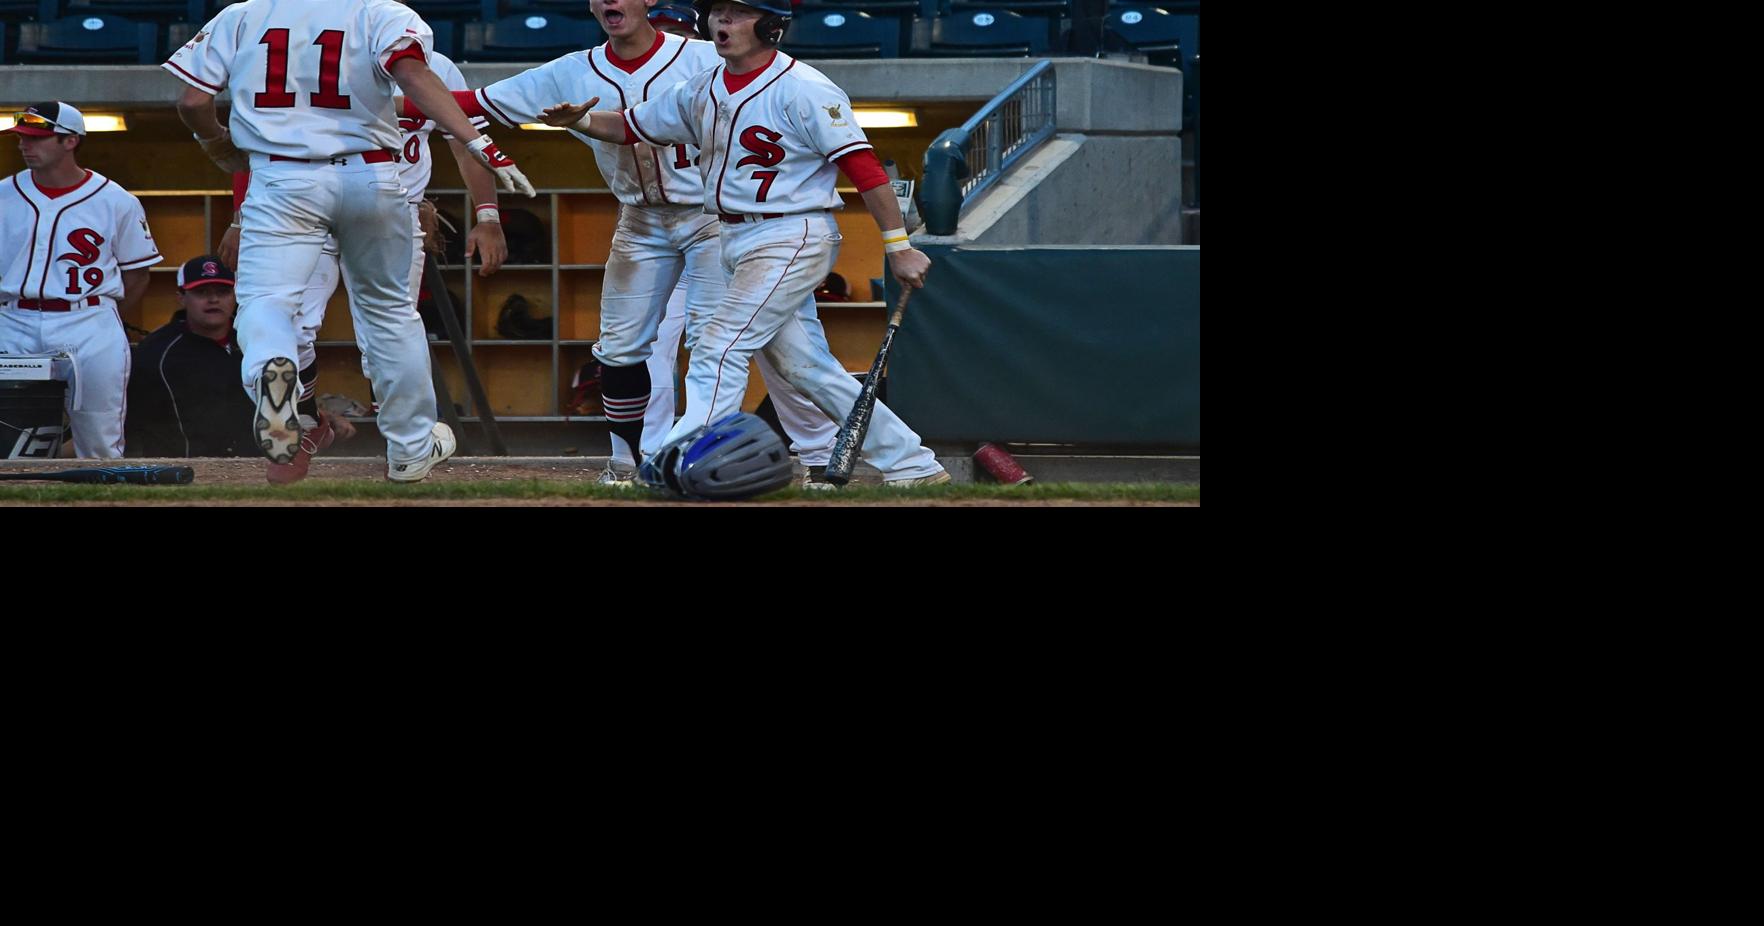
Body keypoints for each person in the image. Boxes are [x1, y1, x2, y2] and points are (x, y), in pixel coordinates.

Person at [400, 0, 845, 485]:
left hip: (712, 218)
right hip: (640, 220)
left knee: (717, 343)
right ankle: (630, 463)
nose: (612, 1)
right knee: (619, 347)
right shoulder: (572, 70)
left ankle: (748, 457)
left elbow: (781, 101)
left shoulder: (703, 61)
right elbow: (474, 104)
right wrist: (372, 100)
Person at [544, 0, 949, 486]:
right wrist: (582, 122)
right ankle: (913, 465)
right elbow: (632, 126)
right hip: (734, 235)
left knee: (718, 347)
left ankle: (679, 463)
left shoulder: (805, 88)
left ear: (771, 26)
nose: (722, 23)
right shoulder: (702, 86)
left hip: (791, 232)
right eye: (718, 13)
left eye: (738, 14)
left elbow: (863, 168)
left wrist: (898, 246)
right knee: (807, 368)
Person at [161, 0, 534, 481]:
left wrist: (215, 141)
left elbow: (191, 101)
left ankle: (274, 375)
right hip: (372, 175)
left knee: (267, 302)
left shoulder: (244, 14)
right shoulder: (381, 12)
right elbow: (414, 74)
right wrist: (485, 145)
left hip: (282, 177)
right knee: (390, 313)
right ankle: (410, 448)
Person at [0, 101, 161, 460]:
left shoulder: (116, 200)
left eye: (38, 138)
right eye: (22, 138)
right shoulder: (3, 195)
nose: (25, 145)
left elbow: (137, 275)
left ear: (70, 141)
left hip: (89, 321)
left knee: (99, 442)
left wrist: (103, 321)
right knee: (8, 441)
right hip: (14, 319)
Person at [125, 255, 318, 458]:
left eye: (223, 291)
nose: (213, 299)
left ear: (236, 295)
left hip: (259, 466)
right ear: (181, 297)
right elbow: (136, 420)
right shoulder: (156, 351)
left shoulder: (261, 342)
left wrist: (319, 414)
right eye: (201, 292)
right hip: (185, 470)